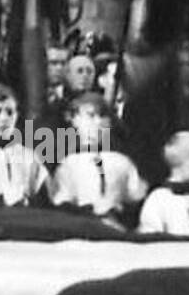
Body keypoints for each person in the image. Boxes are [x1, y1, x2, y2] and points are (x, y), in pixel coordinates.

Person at [51, 94, 149, 222]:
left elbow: (136, 194)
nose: (97, 122)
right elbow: (61, 199)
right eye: (90, 116)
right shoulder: (68, 164)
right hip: (82, 225)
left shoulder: (122, 162)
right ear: (75, 120)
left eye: (102, 116)